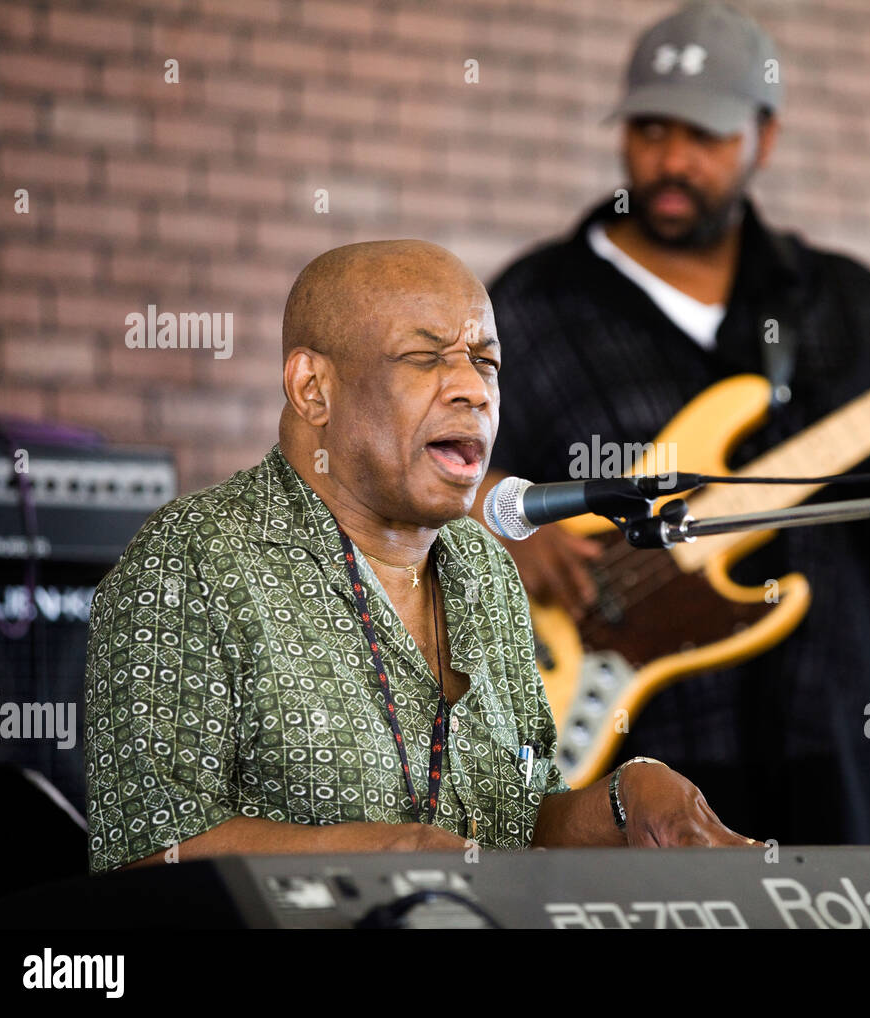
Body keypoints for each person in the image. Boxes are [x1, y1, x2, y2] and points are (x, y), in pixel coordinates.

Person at [477, 2, 870, 844]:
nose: (670, 159)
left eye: (703, 136)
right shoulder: (528, 305)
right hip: (629, 771)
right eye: (650, 129)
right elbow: (432, 483)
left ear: (763, 140)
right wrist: (500, 521)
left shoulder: (850, 308)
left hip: (836, 768)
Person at [83, 240, 753, 876]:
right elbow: (148, 847)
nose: (474, 390)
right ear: (313, 387)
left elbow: (518, 825)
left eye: (486, 362)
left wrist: (628, 795)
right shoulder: (192, 560)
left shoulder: (486, 567)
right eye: (426, 357)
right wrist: (386, 854)